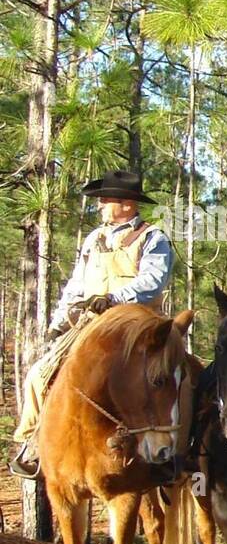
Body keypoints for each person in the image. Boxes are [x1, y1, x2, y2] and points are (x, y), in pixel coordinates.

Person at [10, 170, 174, 478]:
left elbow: (152, 282)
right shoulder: (94, 239)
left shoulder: (153, 238)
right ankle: (34, 443)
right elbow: (76, 285)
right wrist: (58, 322)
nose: (99, 206)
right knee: (37, 375)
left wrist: (114, 297)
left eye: (104, 200)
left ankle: (173, 452)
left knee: (168, 381)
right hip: (91, 325)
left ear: (126, 203)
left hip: (136, 329)